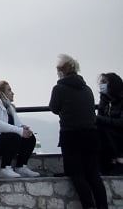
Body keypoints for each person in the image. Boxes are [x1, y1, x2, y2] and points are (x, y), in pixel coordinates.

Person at [50, 54, 109, 208]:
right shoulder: (87, 88)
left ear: (61, 72)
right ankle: (103, 206)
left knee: (77, 174)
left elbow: (54, 108)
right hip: (91, 135)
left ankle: (88, 206)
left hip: (71, 135)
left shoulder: (59, 88)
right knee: (93, 175)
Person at [97, 72, 123, 174]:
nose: (101, 84)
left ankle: (117, 159)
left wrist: (101, 119)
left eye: (104, 82)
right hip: (107, 134)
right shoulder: (104, 99)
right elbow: (100, 115)